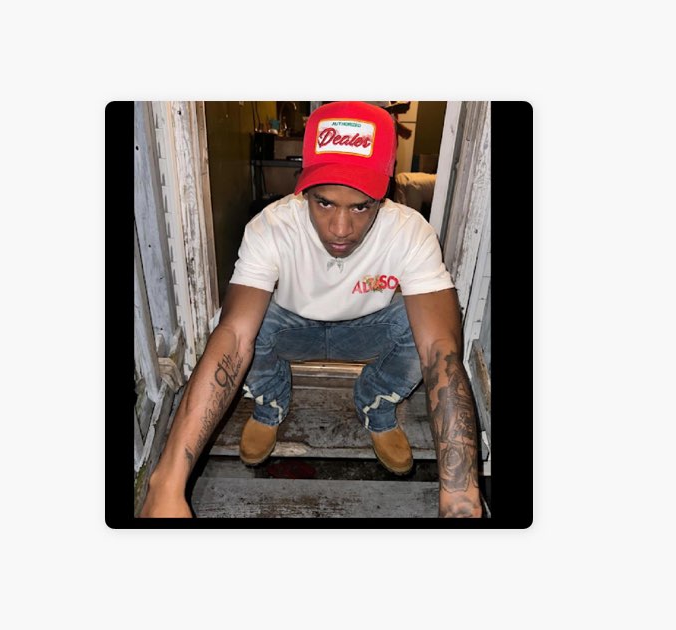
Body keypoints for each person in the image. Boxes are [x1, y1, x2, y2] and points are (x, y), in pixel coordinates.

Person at [140, 101, 482, 518]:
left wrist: (462, 497)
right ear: (303, 188)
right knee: (234, 324)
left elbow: (440, 351)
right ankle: (270, 405)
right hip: (291, 327)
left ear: (385, 194)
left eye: (361, 206)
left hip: (365, 330)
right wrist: (167, 482)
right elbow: (234, 336)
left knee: (427, 327)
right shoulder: (272, 226)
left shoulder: (410, 232)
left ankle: (376, 405)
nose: (340, 229)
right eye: (324, 203)